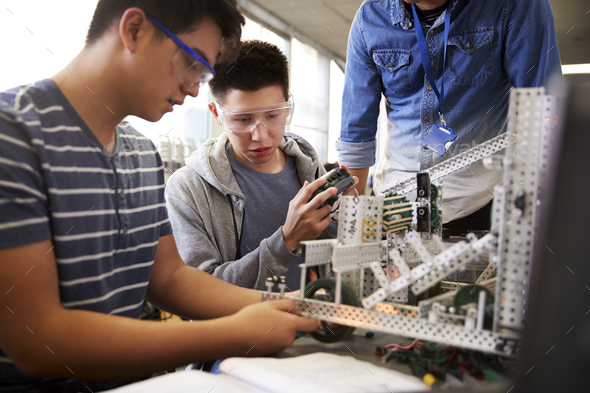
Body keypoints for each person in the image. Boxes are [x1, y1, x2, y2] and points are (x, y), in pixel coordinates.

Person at [0, 2, 319, 391]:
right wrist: (232, 333)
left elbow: (168, 278)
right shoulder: (12, 137)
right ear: (134, 29)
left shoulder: (140, 152)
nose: (194, 86)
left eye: (204, 73)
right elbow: (37, 339)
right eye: (191, 62)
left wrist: (285, 307)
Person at [337, 0, 562, 234]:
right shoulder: (371, 16)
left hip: (480, 207)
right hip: (394, 209)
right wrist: (351, 233)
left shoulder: (516, 5)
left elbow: (544, 111)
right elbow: (356, 135)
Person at [165, 40, 356, 291]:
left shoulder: (307, 165)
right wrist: (286, 241)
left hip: (310, 328)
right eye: (243, 119)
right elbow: (196, 292)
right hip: (237, 331)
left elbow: (324, 257)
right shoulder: (188, 188)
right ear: (216, 113)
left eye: (273, 116)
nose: (261, 136)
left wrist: (345, 224)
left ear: (287, 105)